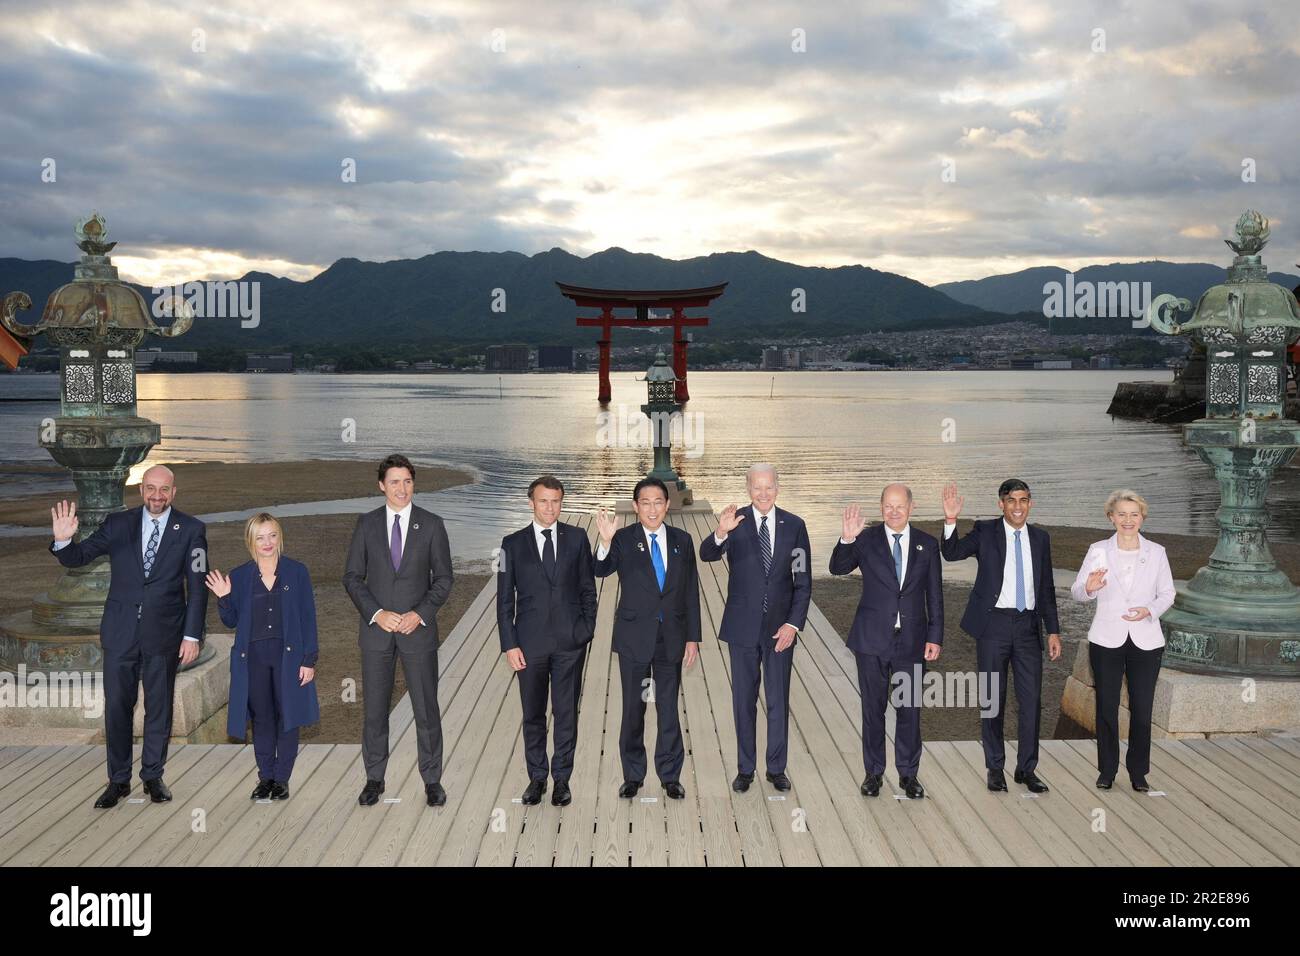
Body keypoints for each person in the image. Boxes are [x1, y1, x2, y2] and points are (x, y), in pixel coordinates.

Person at [49, 464, 208, 809]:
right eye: (151, 488)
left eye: (164, 489)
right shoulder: (117, 525)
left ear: (174, 492)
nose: (156, 496)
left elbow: (197, 589)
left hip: (164, 635)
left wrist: (192, 636)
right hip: (120, 634)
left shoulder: (192, 530)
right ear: (141, 489)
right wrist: (63, 539)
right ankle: (118, 781)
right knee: (117, 708)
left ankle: (153, 775)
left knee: (158, 709)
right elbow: (78, 557)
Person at [343, 454, 454, 808]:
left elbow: (445, 579)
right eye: (394, 482)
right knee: (374, 711)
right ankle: (374, 779)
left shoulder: (432, 525)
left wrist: (418, 614)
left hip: (417, 633)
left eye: (407, 481)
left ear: (413, 483)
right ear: (381, 485)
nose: (401, 488)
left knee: (426, 709)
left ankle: (432, 780)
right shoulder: (366, 524)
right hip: (376, 634)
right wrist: (377, 613)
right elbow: (352, 577)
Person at [941, 479, 1061, 794]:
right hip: (993, 626)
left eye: (1024, 500)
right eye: (1011, 500)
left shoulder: (1041, 538)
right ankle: (995, 768)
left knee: (1031, 701)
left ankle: (1026, 769)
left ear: (1030, 503)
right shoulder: (985, 532)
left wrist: (1054, 631)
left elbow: (1046, 588)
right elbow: (951, 553)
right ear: (1001, 504)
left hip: (1028, 628)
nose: (1018, 506)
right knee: (993, 699)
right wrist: (951, 519)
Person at [699, 463, 811, 793]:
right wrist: (720, 532)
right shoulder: (735, 522)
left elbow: (802, 582)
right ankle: (745, 769)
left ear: (778, 487)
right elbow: (706, 554)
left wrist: (793, 623)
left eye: (769, 487)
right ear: (748, 488)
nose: (763, 493)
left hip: (780, 630)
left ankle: (776, 768)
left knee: (778, 700)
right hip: (742, 627)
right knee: (743, 700)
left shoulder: (795, 526)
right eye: (757, 487)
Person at [829, 484, 942, 799]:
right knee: (873, 709)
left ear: (911, 506)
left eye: (900, 506)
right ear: (881, 507)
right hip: (871, 641)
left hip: (912, 642)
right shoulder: (865, 540)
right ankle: (873, 774)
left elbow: (935, 595)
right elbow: (837, 568)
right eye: (888, 506)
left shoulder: (927, 545)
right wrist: (847, 537)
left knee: (909, 710)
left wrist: (935, 636)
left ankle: (908, 775)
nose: (894, 512)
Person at [594, 478, 701, 800]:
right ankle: (633, 775)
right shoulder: (623, 539)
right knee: (633, 708)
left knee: (668, 708)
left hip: (671, 638)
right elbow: (600, 570)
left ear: (667, 505)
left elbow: (690, 593)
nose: (652, 508)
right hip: (634, 638)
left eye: (658, 502)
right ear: (636, 506)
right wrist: (605, 542)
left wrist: (692, 638)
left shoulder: (683, 540)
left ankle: (670, 776)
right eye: (645, 502)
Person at [496, 476, 597, 807]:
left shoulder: (578, 538)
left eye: (556, 501)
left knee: (567, 713)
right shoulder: (510, 544)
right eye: (543, 501)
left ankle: (562, 780)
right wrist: (510, 644)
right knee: (533, 714)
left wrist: (585, 632)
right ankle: (537, 777)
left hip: (570, 644)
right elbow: (504, 601)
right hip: (529, 645)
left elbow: (587, 590)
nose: (550, 508)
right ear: (531, 503)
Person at [206, 513, 320, 800]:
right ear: (251, 541)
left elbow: (308, 617)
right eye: (260, 537)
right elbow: (231, 621)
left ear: (279, 537)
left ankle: (282, 779)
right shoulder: (241, 576)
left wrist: (309, 659)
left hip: (288, 657)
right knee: (262, 719)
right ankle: (265, 777)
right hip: (253, 657)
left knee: (287, 716)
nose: (267, 542)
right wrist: (223, 597)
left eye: (272, 535)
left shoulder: (297, 572)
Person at [1069, 490, 1174, 792]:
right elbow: (1077, 591)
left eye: (1134, 514)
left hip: (1147, 640)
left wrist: (1149, 610)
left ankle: (1138, 772)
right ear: (1111, 517)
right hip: (1106, 639)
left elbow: (1168, 593)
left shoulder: (1156, 552)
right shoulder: (1098, 549)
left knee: (1142, 709)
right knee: (1106, 707)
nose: (1128, 520)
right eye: (1122, 514)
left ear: (1142, 517)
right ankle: (1107, 770)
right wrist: (1088, 588)